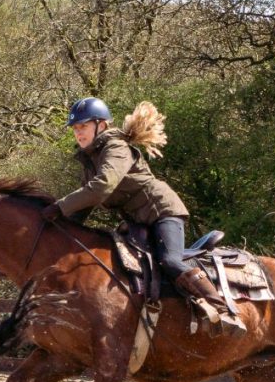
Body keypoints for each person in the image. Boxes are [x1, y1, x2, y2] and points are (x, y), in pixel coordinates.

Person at [41, 97, 246, 333]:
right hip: (138, 221)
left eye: (83, 126)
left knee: (170, 261)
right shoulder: (91, 160)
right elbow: (85, 204)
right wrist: (59, 228)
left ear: (101, 125)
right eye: (75, 129)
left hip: (161, 211)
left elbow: (102, 186)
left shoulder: (115, 147)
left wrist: (59, 207)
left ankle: (224, 312)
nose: (79, 133)